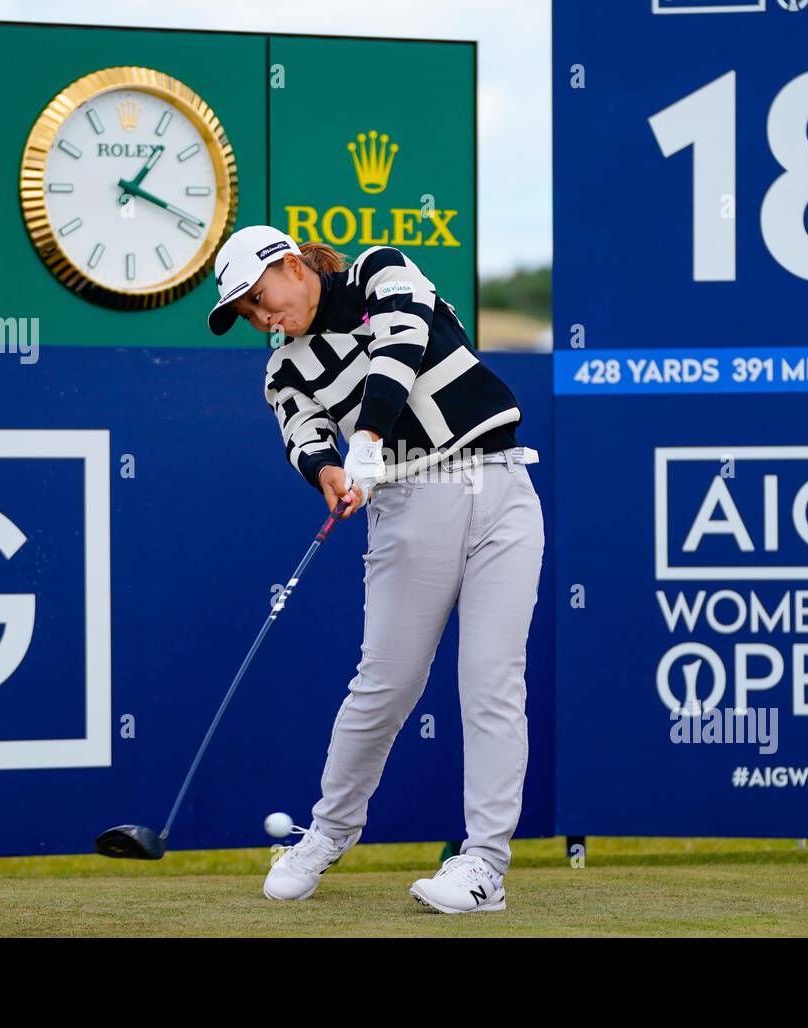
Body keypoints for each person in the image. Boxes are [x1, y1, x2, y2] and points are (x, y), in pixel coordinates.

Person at [206, 224, 544, 913]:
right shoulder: (284, 367)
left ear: (290, 263)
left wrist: (365, 435)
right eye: (246, 312)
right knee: (384, 687)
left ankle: (483, 866)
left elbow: (402, 341)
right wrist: (328, 470)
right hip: (410, 504)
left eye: (259, 297)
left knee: (492, 685)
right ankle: (326, 834)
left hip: (503, 485)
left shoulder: (377, 270)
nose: (261, 316)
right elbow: (301, 434)